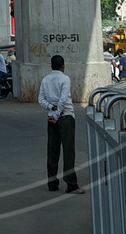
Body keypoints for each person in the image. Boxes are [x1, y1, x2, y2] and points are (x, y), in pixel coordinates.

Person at [38, 54, 84, 194]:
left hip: (52, 118)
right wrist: (58, 113)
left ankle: (52, 182)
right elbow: (63, 100)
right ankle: (71, 184)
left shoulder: (45, 80)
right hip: (65, 117)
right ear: (63, 66)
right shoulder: (65, 79)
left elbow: (41, 99)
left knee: (52, 150)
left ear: (51, 66)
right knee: (68, 151)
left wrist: (51, 108)